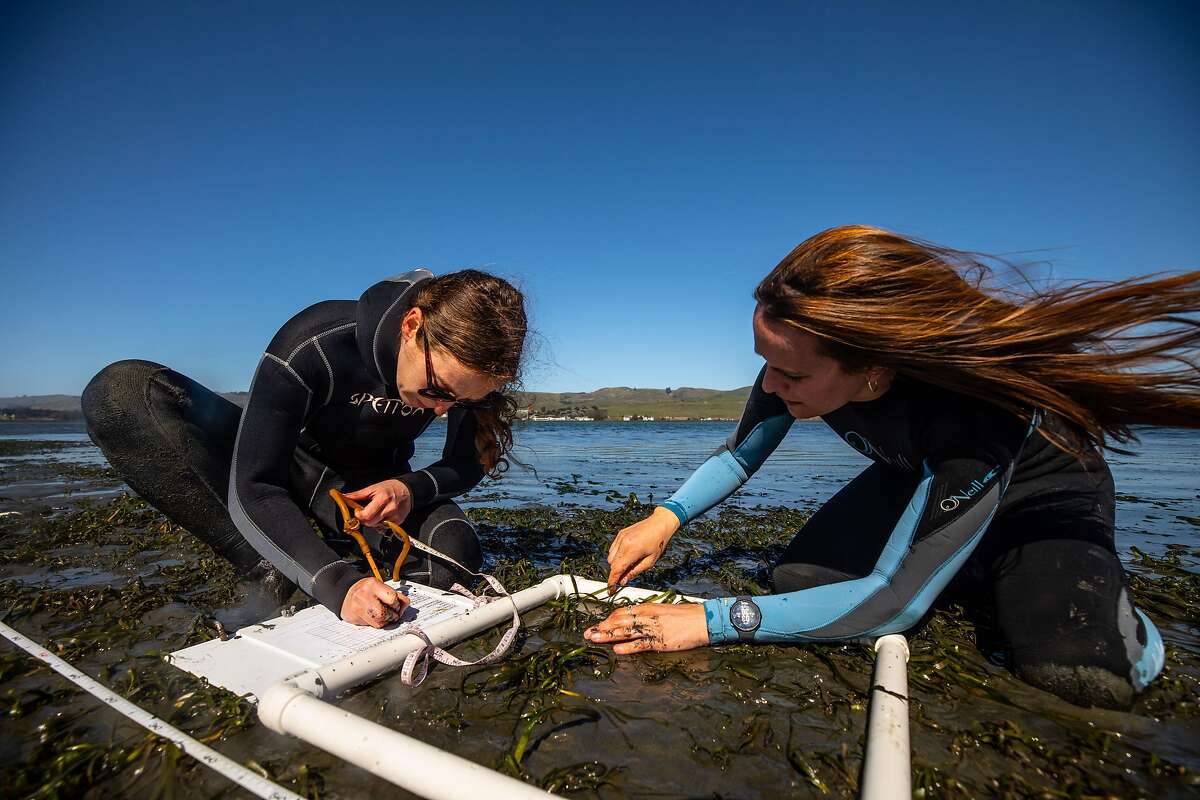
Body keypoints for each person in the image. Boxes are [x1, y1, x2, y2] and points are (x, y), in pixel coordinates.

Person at [588, 225, 1200, 709]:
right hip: (921, 479)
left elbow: (891, 606)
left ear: (874, 369)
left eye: (792, 373)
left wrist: (715, 619)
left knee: (1083, 676)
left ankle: (1088, 592)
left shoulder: (974, 411)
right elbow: (740, 454)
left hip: (1040, 501)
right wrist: (664, 519)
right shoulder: (793, 362)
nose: (770, 384)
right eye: (765, 361)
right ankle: (960, 562)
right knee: (798, 582)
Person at [83, 269, 526, 629]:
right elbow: (256, 484)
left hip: (366, 494)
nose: (443, 409)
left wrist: (409, 488)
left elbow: (467, 462)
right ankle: (270, 568)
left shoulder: (465, 373)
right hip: (286, 469)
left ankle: (330, 550)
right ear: (411, 327)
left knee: (454, 558)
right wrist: (338, 584)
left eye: (462, 401)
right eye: (437, 390)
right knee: (122, 391)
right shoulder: (318, 342)